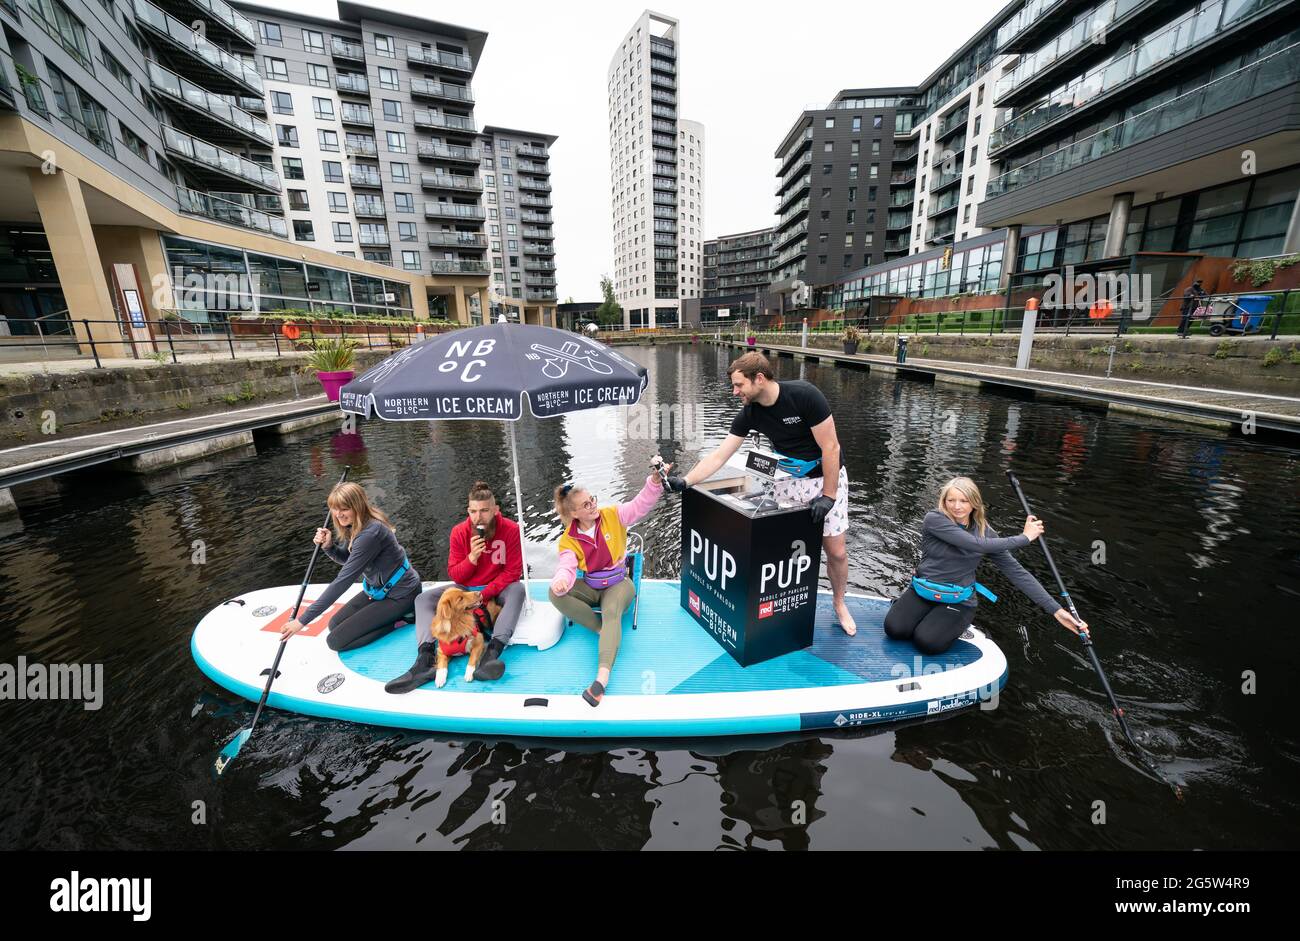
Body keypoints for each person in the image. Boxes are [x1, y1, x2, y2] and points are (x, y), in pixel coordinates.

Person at [663, 351, 857, 634]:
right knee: (783, 551)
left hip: (824, 478)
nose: (734, 391)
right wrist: (687, 481)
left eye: (739, 385)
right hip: (786, 479)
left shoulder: (805, 396)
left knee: (836, 551)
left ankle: (839, 603)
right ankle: (783, 608)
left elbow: (831, 447)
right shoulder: (751, 412)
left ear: (760, 379)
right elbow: (720, 456)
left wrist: (828, 496)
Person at [884, 477, 1087, 655]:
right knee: (894, 630)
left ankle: (956, 623)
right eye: (951, 500)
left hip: (958, 600)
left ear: (974, 503)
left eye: (964, 500)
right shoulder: (935, 520)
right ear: (943, 501)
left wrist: (1056, 610)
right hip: (923, 590)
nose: (957, 506)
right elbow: (973, 544)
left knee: (926, 642)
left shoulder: (986, 533)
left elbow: (1017, 573)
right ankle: (922, 615)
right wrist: (1024, 538)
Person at [385, 480, 525, 693]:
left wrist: (484, 594)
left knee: (518, 589)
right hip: (465, 589)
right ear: (468, 511)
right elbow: (455, 575)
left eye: (485, 511)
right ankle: (425, 659)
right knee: (423, 600)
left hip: (496, 588)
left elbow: (513, 572)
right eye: (474, 511)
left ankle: (492, 654)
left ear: (496, 510)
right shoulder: (459, 532)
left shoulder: (510, 529)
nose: (479, 517)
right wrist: (472, 558)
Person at [549, 464, 671, 706]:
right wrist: (561, 581)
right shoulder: (568, 540)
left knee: (612, 611)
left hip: (619, 583)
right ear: (574, 514)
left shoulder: (613, 515)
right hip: (592, 585)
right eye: (586, 504)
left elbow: (639, 506)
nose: (593, 505)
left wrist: (654, 482)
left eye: (592, 499)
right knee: (554, 594)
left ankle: (601, 680)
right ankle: (600, 629)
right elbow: (566, 565)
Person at [279, 482, 422, 651]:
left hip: (401, 594)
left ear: (357, 507)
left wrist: (302, 621)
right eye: (335, 508)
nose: (338, 514)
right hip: (378, 589)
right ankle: (390, 618)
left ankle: (400, 620)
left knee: (335, 641)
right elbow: (350, 559)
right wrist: (329, 547)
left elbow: (343, 581)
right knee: (334, 624)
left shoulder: (370, 534)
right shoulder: (355, 525)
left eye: (344, 509)